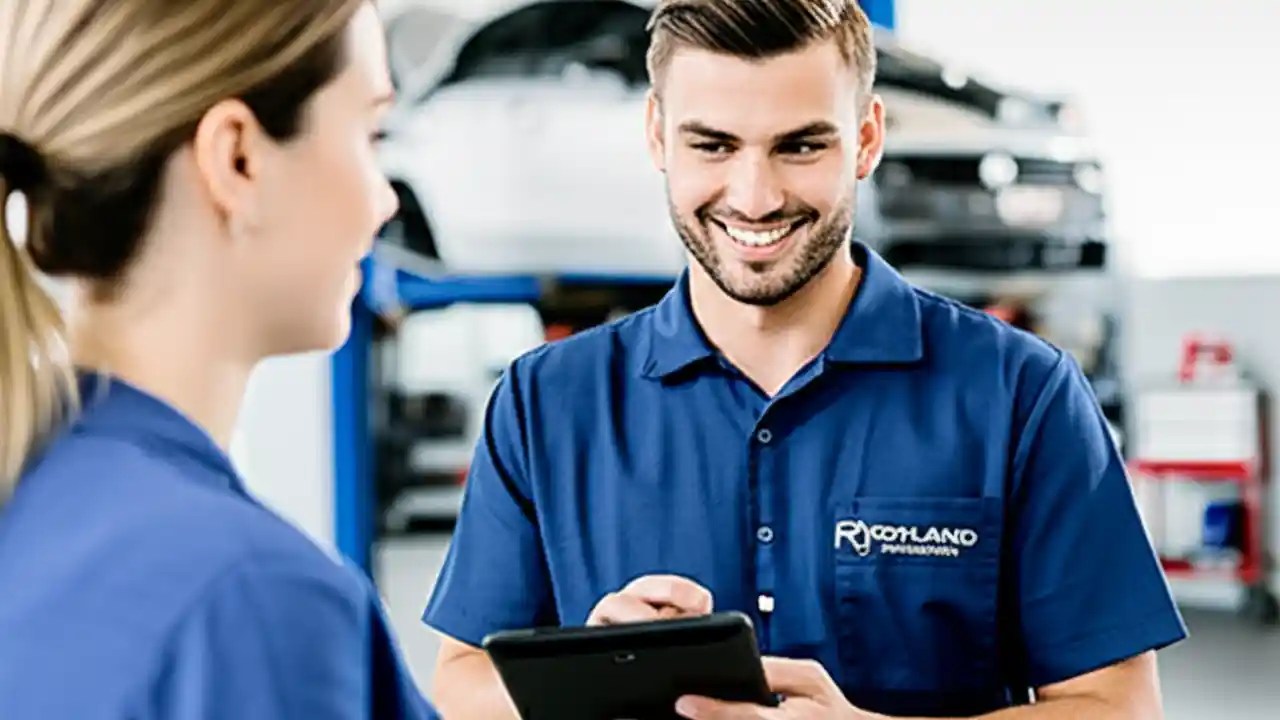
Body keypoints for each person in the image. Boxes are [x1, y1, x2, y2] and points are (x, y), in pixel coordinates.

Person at [424, 1, 1186, 718]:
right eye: (713, 144)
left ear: (865, 139)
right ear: (657, 135)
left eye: (800, 145)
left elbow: (1117, 705)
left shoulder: (1021, 395)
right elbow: (460, 683)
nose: (755, 198)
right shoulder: (545, 402)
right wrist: (598, 674)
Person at [0, 1, 437, 718]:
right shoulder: (248, 598)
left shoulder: (35, 501)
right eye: (371, 133)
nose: (384, 199)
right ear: (237, 158)